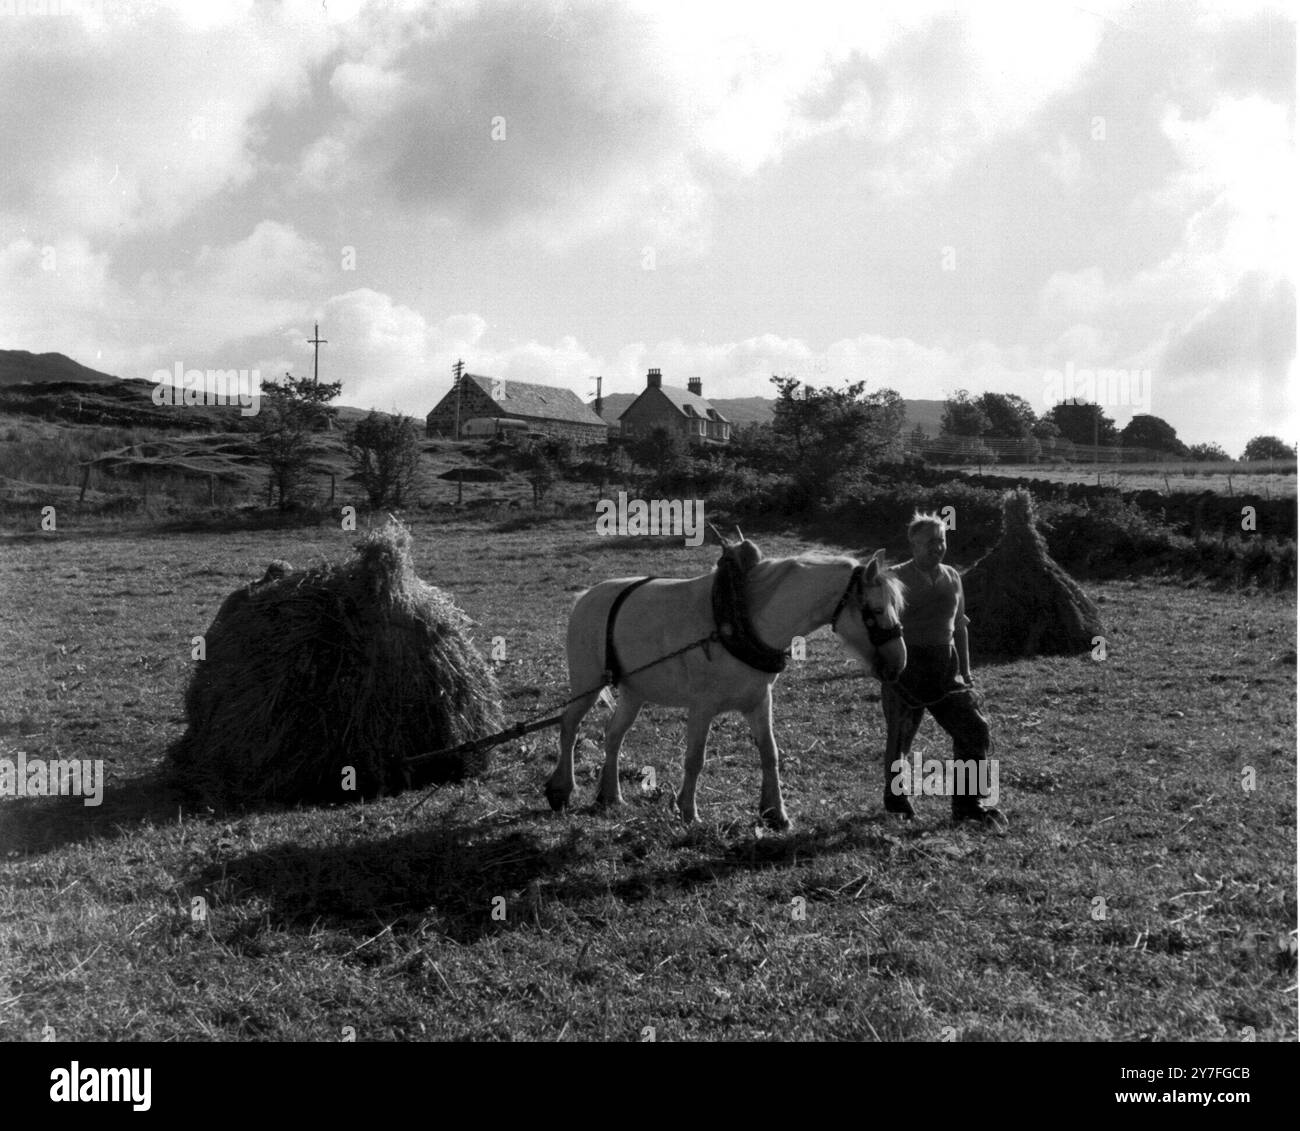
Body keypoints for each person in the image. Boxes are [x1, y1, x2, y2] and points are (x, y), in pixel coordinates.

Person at [880, 512, 1007, 830]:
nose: (937, 547)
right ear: (913, 543)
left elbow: (960, 627)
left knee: (974, 729)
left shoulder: (953, 576)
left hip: (944, 666)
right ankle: (897, 802)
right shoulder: (893, 578)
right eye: (930, 542)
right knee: (900, 741)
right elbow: (878, 628)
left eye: (942, 541)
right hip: (906, 670)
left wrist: (966, 672)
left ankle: (968, 804)